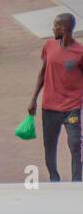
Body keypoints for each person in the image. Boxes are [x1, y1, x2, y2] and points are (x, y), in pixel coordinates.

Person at [28, 12, 83, 182]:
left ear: (65, 28)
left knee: (75, 144)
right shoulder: (49, 45)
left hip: (72, 107)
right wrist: (33, 99)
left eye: (56, 25)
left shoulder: (80, 52)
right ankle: (54, 179)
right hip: (50, 107)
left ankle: (76, 182)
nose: (53, 28)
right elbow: (43, 72)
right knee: (49, 146)